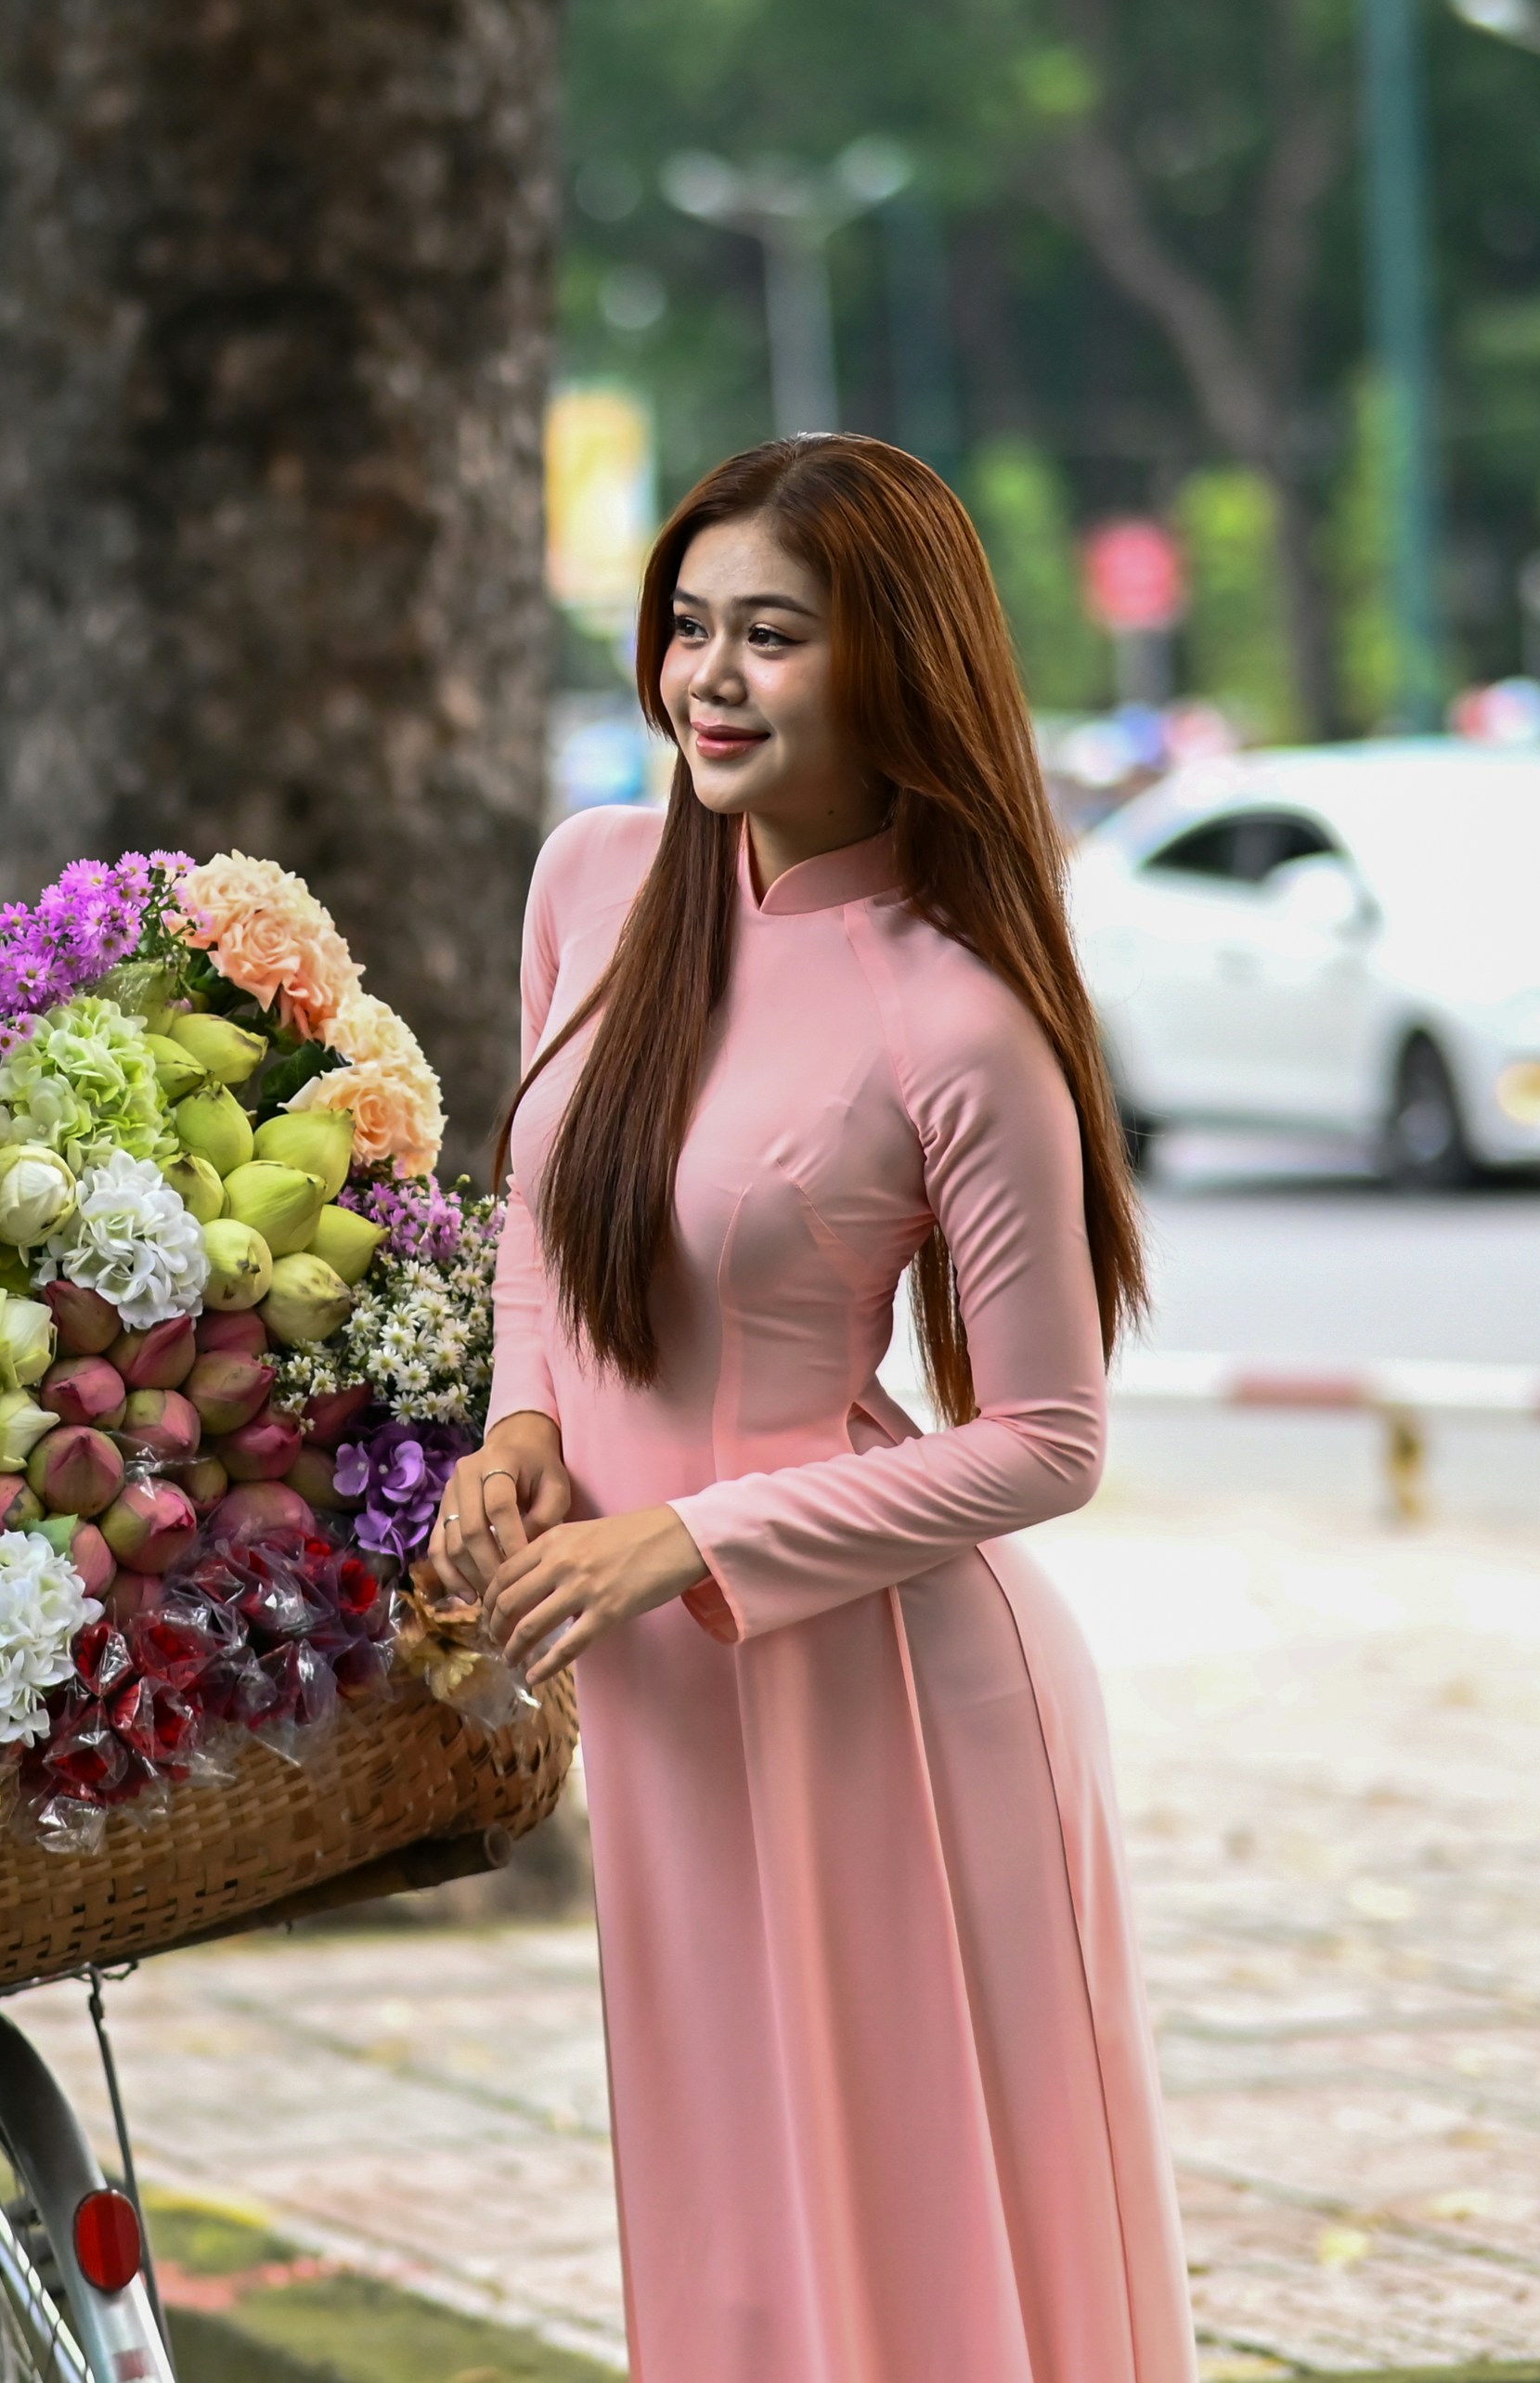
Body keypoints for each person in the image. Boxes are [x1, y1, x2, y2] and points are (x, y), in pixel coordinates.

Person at [433, 434, 1189, 2383]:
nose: (709, 677)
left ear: (894, 662)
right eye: (688, 625)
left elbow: (1048, 1438)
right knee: (731, 2241)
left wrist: (687, 1533)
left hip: (896, 1714)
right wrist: (520, 1432)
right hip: (668, 1698)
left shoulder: (958, 1015)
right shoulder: (592, 882)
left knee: (915, 2261)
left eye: (771, 635)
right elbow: (545, 1223)